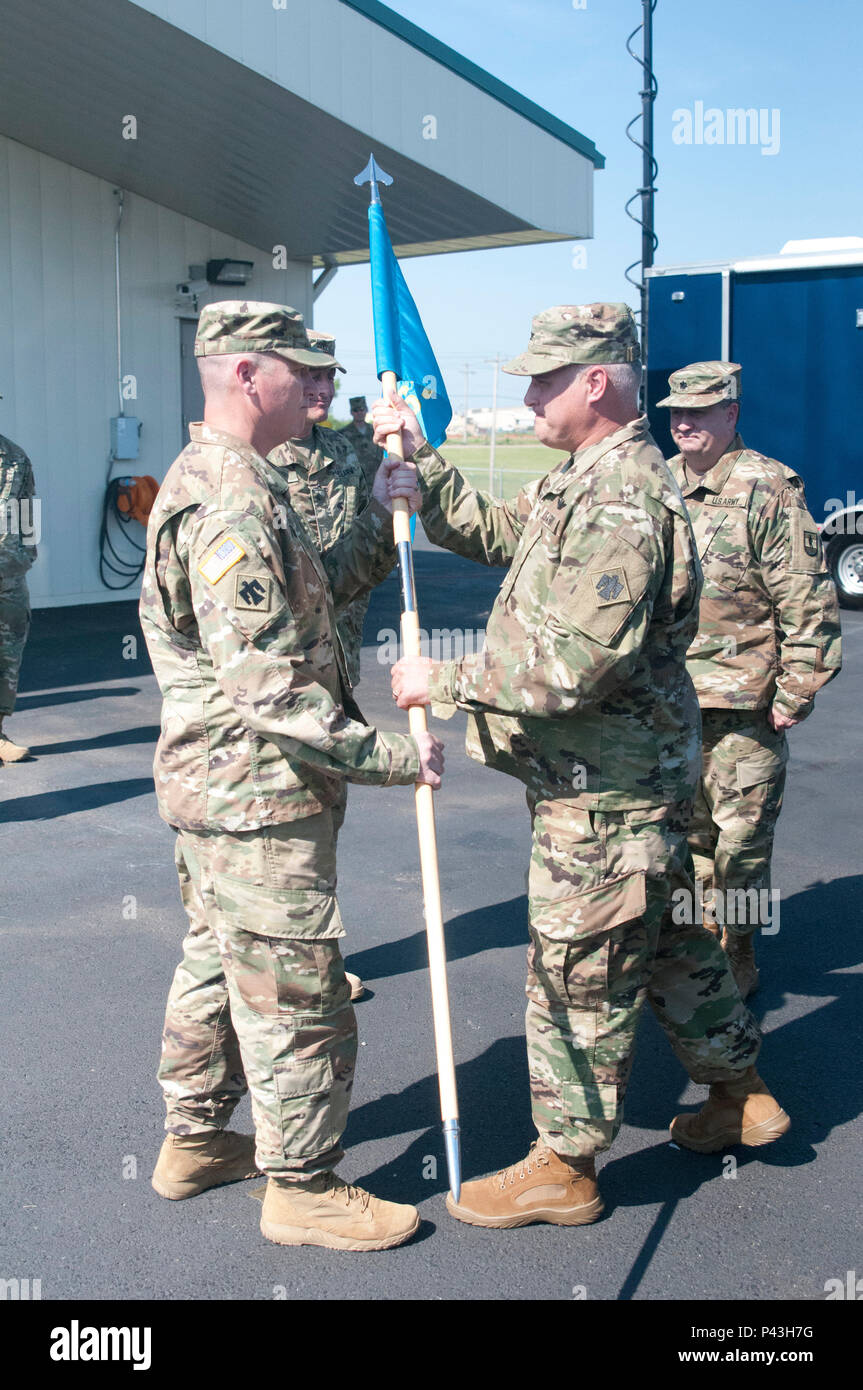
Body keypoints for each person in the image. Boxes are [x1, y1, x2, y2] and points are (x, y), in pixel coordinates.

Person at [373, 304, 789, 1231]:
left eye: (539, 381)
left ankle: (564, 1165)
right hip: (627, 782)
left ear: (593, 382)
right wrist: (421, 469)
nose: (524, 398)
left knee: (578, 972)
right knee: (676, 944)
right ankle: (740, 1094)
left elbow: (572, 666)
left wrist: (439, 677)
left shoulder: (619, 500)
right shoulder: (584, 478)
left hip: (600, 796)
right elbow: (492, 534)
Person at [140, 301, 444, 1252]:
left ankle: (194, 1141)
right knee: (295, 990)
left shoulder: (237, 479)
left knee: (214, 964)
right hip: (256, 793)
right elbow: (268, 686)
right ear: (244, 375)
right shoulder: (230, 497)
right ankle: (302, 1187)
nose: (315, 384)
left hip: (227, 791)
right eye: (296, 366)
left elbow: (308, 600)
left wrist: (389, 508)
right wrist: (396, 755)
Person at [657, 362, 842, 997]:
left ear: (730, 414)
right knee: (685, 843)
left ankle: (735, 960)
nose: (684, 423)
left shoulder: (769, 488)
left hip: (745, 707)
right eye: (676, 412)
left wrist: (796, 690)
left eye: (700, 412)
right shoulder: (663, 483)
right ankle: (698, 956)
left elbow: (808, 601)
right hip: (673, 705)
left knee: (740, 851)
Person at [269, 335, 390, 1002]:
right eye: (306, 376)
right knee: (284, 825)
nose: (319, 388)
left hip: (337, 663)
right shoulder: (260, 460)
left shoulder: (348, 449)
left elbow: (407, 464)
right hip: (281, 672)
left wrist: (401, 425)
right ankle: (297, 964)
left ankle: (311, 955)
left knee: (322, 818)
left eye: (327, 377)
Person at [0, 429, 37, 763]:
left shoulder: (15, 457)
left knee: (7, 656)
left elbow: (29, 509)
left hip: (8, 577)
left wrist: (27, 555)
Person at [339, 394, 384, 486]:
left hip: (377, 481)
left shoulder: (377, 431)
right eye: (355, 410)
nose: (359, 412)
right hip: (355, 483)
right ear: (351, 412)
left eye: (362, 409)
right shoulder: (342, 435)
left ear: (366, 410)